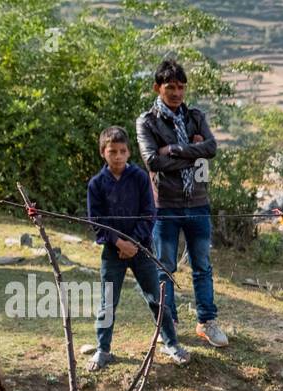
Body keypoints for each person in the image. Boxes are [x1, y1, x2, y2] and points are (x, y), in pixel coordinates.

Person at [135, 59, 226, 349]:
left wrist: (174, 149)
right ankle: (168, 323)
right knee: (165, 267)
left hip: (198, 203)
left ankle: (207, 322)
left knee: (203, 266)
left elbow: (210, 149)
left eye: (181, 87)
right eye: (170, 87)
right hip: (165, 206)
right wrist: (193, 151)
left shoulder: (195, 116)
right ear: (157, 88)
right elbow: (152, 160)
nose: (176, 93)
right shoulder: (147, 121)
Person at [85, 126, 189, 371]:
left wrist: (134, 243)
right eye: (112, 151)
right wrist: (118, 242)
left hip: (141, 249)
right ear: (103, 153)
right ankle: (103, 349)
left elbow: (149, 213)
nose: (118, 156)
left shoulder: (140, 177)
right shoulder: (96, 184)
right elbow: (96, 221)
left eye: (122, 151)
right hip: (112, 251)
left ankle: (171, 343)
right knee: (108, 300)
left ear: (129, 152)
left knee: (155, 297)